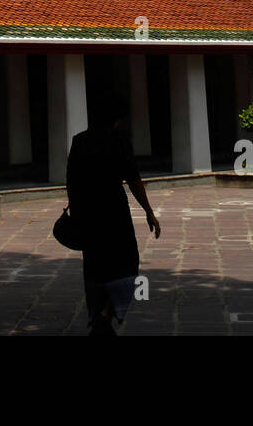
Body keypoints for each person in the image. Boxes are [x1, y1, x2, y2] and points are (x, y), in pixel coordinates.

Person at [66, 97, 160, 336]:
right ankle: (108, 311)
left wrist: (76, 211)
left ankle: (98, 313)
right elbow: (134, 179)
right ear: (115, 120)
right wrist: (149, 211)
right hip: (114, 208)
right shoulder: (119, 140)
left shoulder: (80, 141)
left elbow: (72, 181)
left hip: (88, 210)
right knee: (125, 262)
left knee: (96, 264)